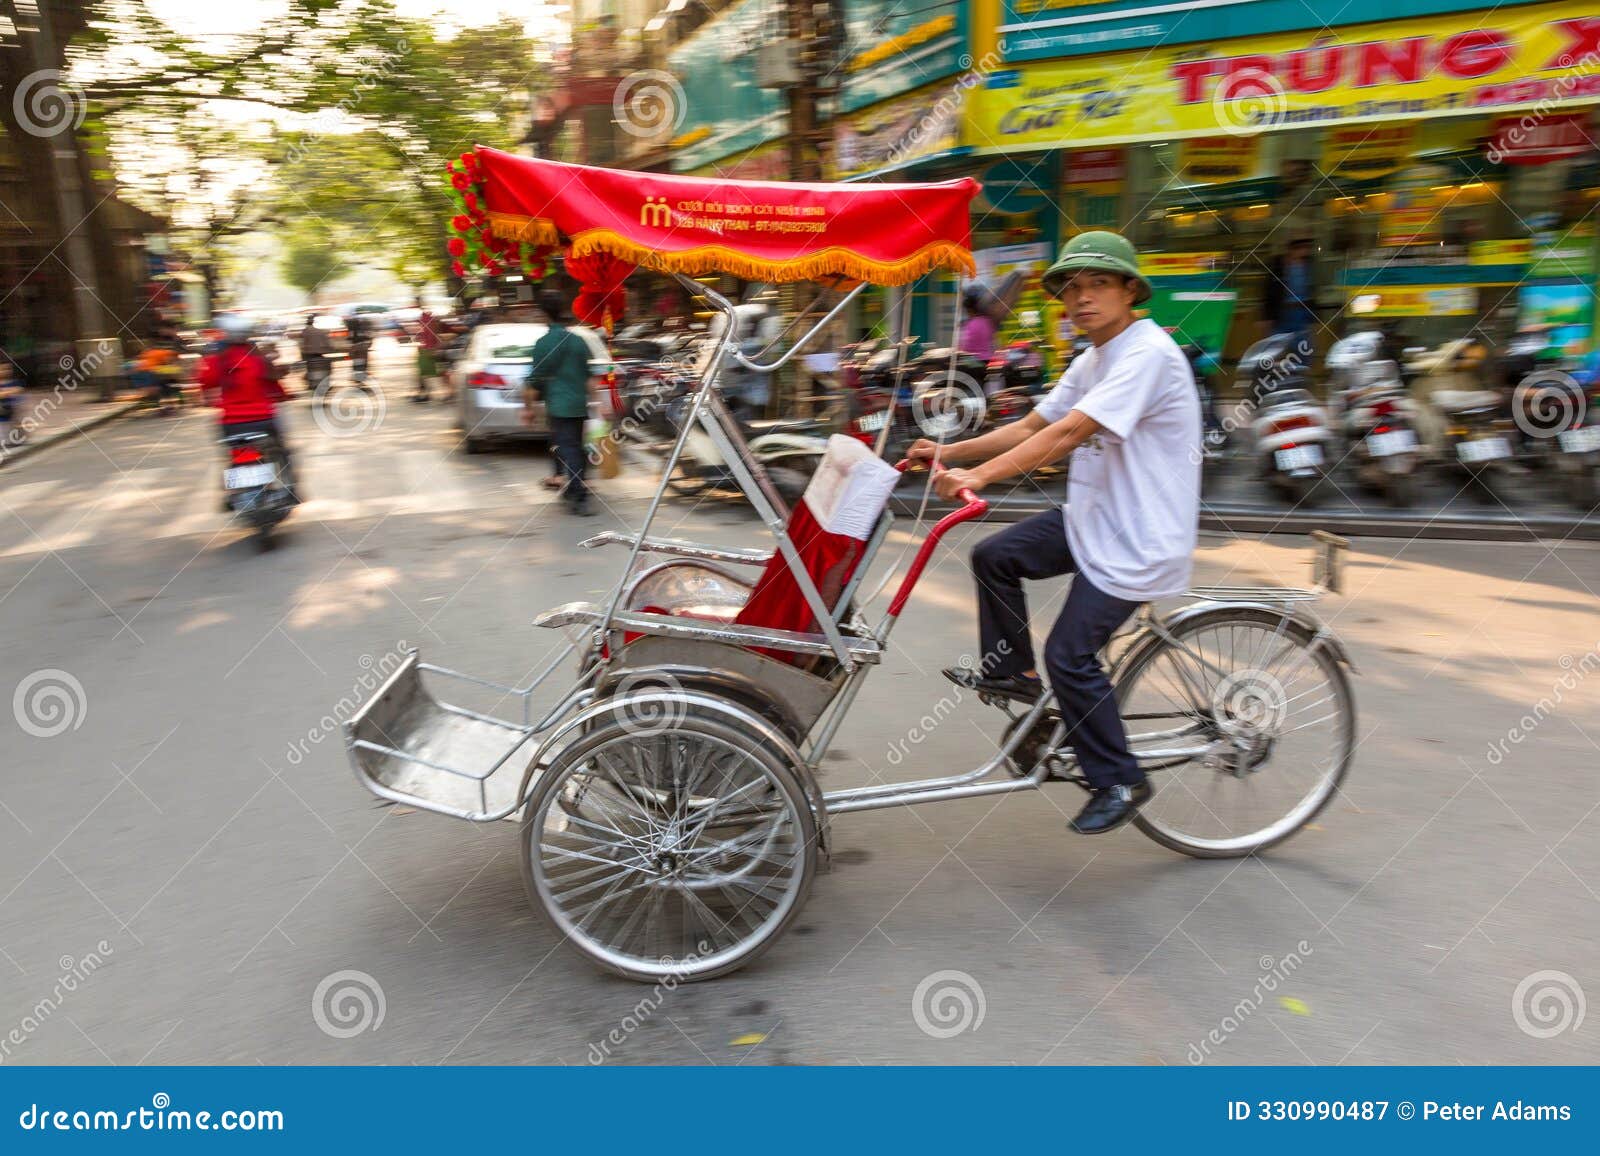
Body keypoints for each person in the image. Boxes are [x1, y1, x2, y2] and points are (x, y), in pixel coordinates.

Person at [910, 231, 1201, 835]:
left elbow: (1066, 436)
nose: (1083, 298)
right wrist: (949, 450)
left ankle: (1120, 778)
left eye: (1099, 284)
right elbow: (1033, 425)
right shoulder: (1093, 358)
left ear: (1129, 291)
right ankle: (1013, 673)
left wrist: (979, 476)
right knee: (995, 555)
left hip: (1139, 537)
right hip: (1095, 519)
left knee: (1069, 654)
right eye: (1073, 288)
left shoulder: (1145, 354)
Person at [197, 314, 298, 501]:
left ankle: (230, 493)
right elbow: (273, 384)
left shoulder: (216, 360)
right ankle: (291, 488)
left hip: (230, 423)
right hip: (264, 419)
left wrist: (206, 398)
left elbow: (205, 382)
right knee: (282, 450)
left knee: (230, 455)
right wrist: (284, 396)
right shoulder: (257, 358)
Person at [524, 288, 596, 517]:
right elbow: (589, 376)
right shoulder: (578, 341)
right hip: (578, 403)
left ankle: (578, 493)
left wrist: (528, 409)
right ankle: (572, 488)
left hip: (559, 405)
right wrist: (598, 403)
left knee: (569, 448)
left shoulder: (544, 343)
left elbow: (534, 379)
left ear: (543, 314)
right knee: (575, 446)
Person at [1262, 236, 1318, 359]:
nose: (1306, 252)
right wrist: (1266, 317)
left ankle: (1300, 373)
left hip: (1301, 313)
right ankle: (1273, 373)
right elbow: (1269, 290)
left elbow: (1312, 289)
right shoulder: (1278, 264)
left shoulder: (1309, 265)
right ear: (1292, 249)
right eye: (1302, 248)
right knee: (1274, 349)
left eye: (1307, 248)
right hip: (1283, 314)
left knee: (1304, 349)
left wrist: (1313, 316)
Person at [412, 298, 441, 403]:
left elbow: (431, 334)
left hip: (428, 349)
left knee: (424, 373)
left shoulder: (426, 317)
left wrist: (431, 347)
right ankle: (423, 393)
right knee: (422, 373)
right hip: (426, 348)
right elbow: (425, 333)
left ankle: (426, 394)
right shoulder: (424, 317)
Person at [299, 314, 332, 393]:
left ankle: (310, 383)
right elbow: (328, 344)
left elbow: (303, 344)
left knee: (309, 367)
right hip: (320, 352)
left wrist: (302, 356)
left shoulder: (305, 331)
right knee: (327, 367)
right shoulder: (320, 331)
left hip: (310, 354)